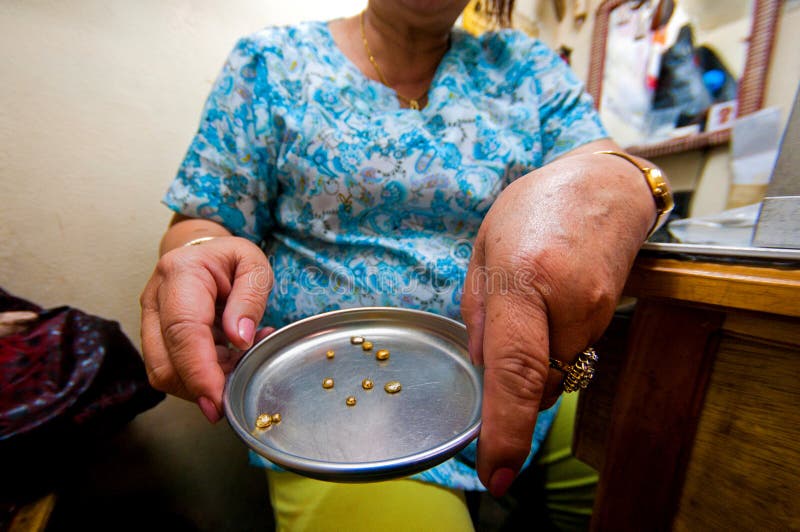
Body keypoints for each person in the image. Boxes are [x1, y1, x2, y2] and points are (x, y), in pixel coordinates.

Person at [140, 0, 668, 529]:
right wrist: (197, 253)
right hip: (339, 407)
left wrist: (619, 186)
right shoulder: (273, 63)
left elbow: (611, 164)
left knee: (652, 481)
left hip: (537, 370)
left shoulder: (528, 68)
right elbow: (203, 220)